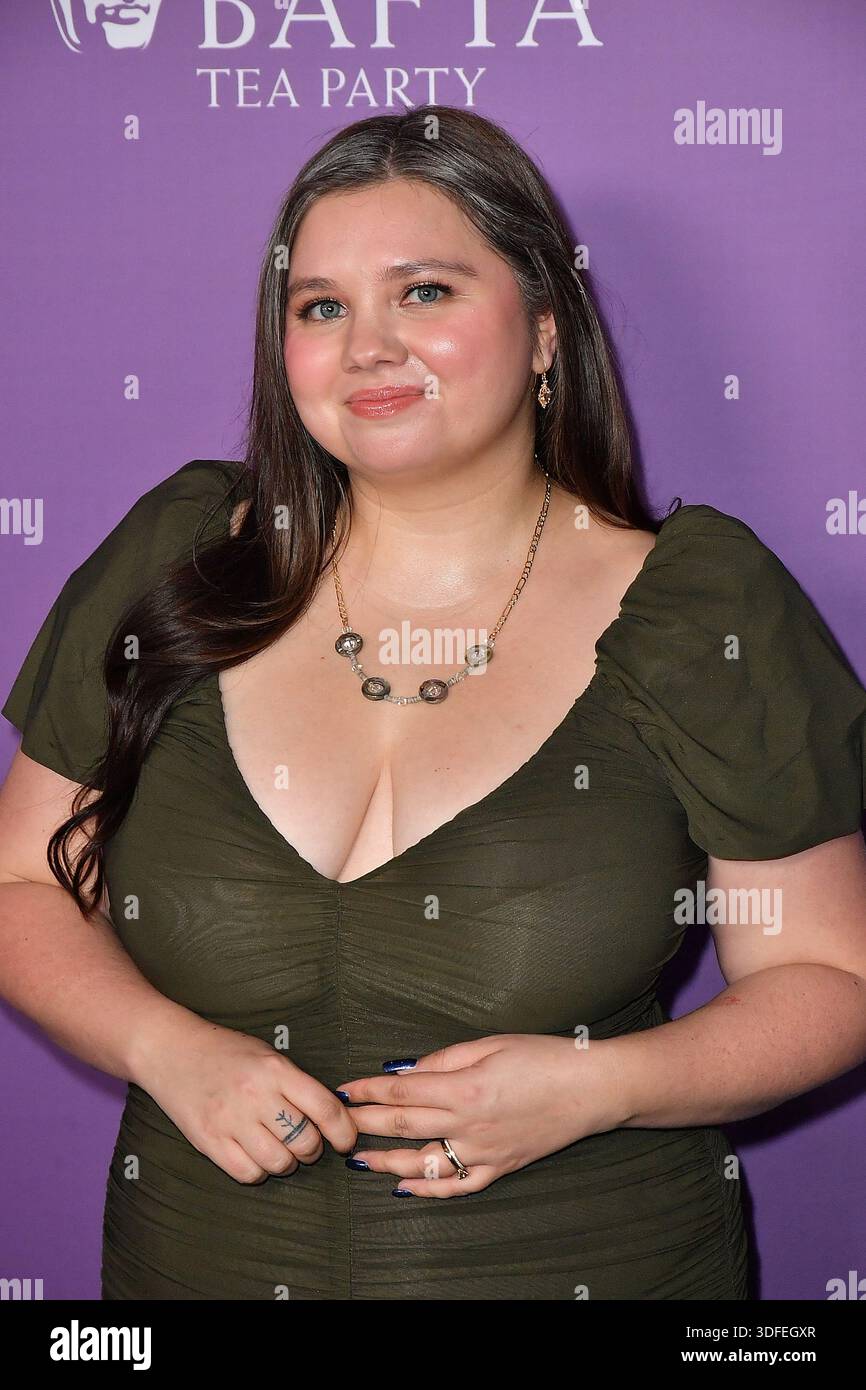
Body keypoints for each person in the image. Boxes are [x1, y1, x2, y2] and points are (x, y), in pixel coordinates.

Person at [2, 106, 866, 1302]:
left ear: (546, 331)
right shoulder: (181, 554)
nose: (367, 346)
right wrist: (167, 1049)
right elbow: (23, 885)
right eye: (321, 307)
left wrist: (595, 1084)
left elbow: (827, 976)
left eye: (423, 293)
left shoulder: (697, 605)